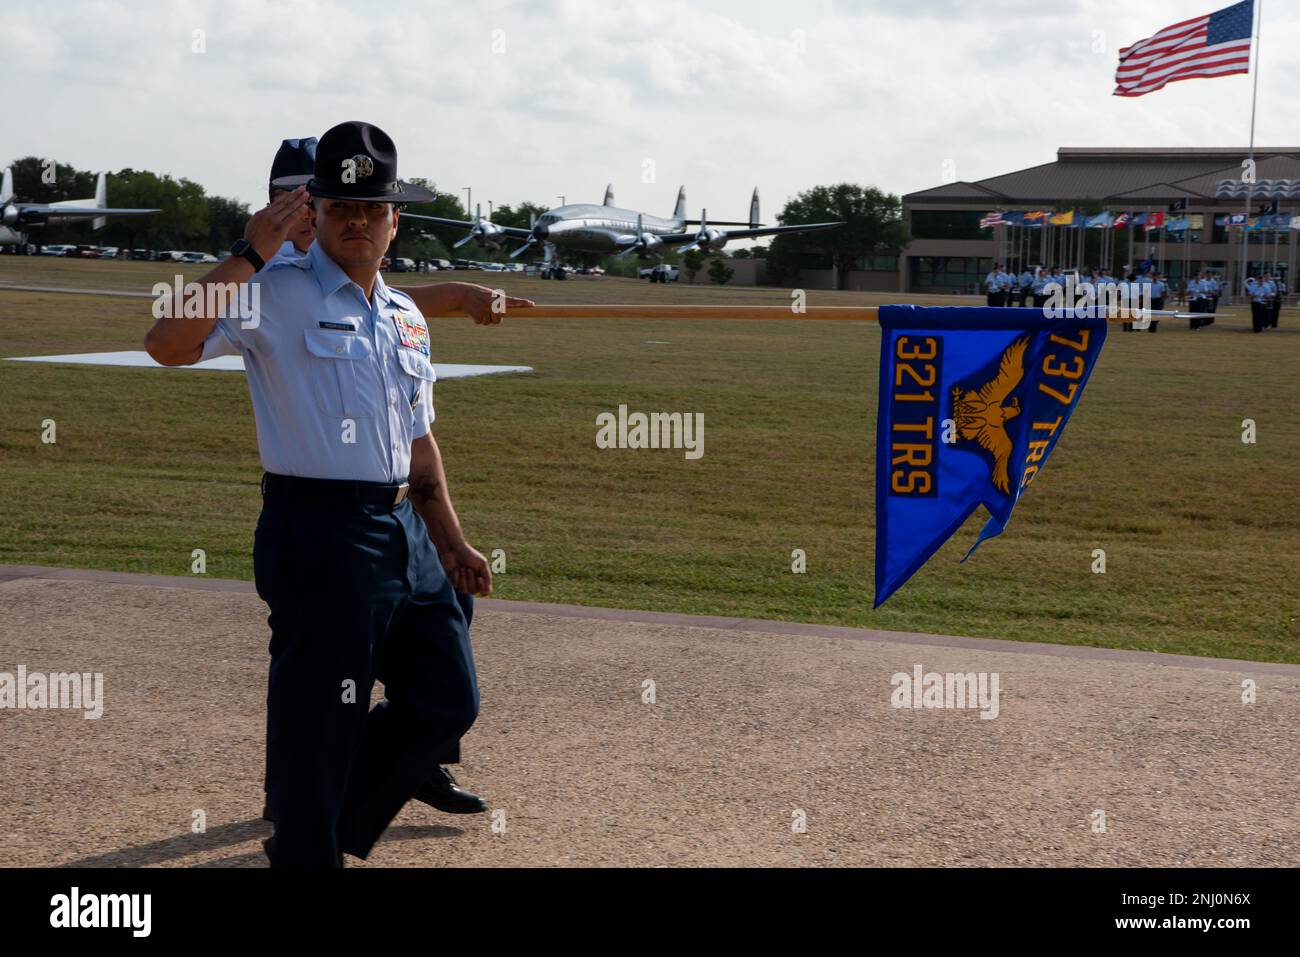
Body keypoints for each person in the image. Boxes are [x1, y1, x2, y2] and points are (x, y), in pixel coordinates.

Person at [144, 121, 534, 866]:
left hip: (405, 532)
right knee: (319, 722)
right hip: (319, 529)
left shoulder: (405, 316)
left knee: (447, 700)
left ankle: (323, 823)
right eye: (340, 208)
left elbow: (419, 441)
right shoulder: (273, 292)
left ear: (396, 220)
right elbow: (166, 345)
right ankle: (308, 841)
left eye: (372, 208)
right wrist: (251, 247)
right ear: (313, 213)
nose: (357, 221)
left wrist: (451, 539)